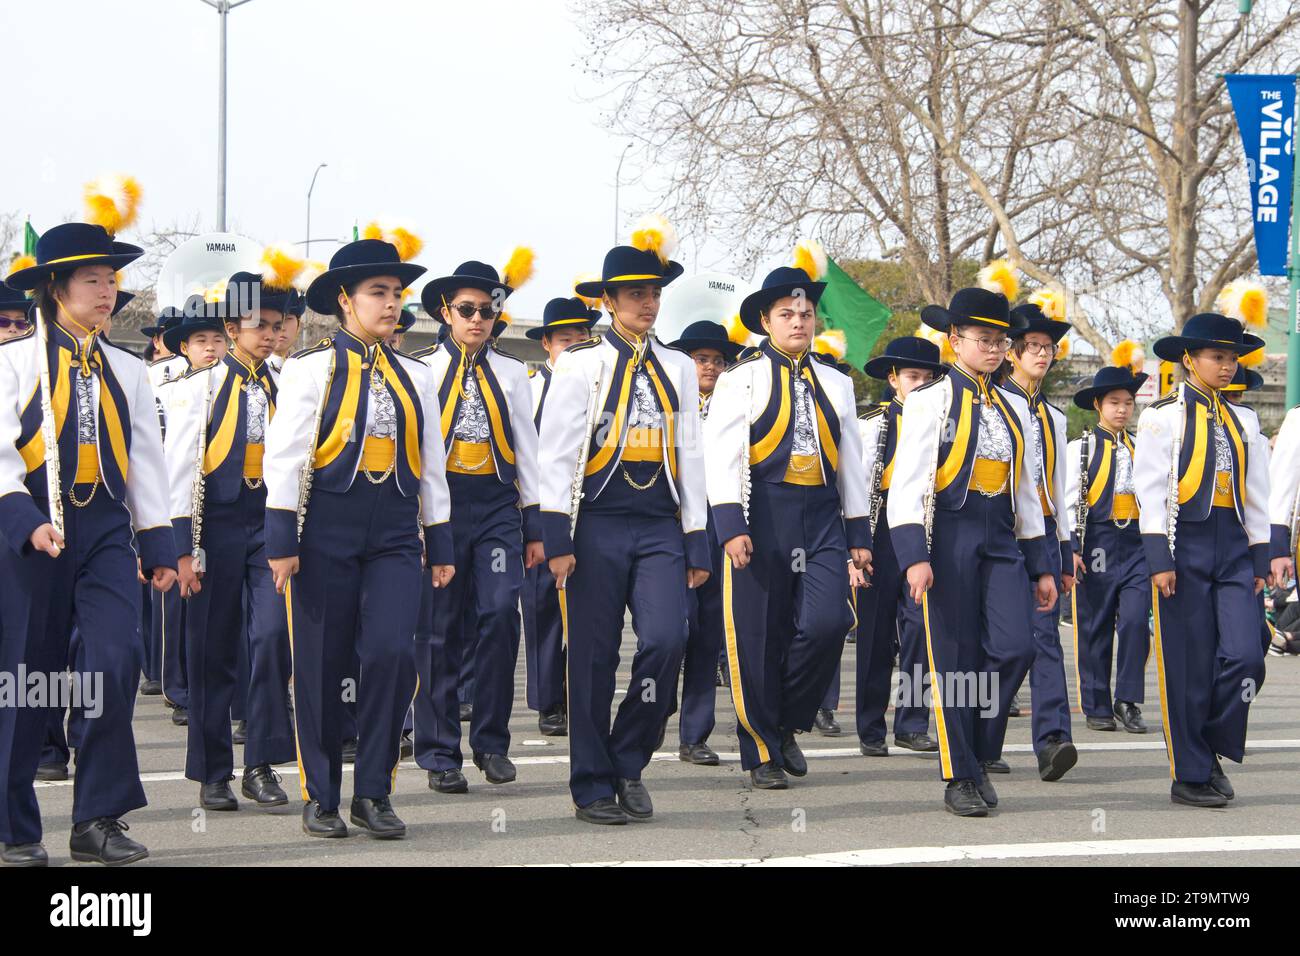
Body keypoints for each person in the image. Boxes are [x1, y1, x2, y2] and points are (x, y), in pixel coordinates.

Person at [263, 237, 455, 839]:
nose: (393, 303)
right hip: (326, 532)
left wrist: (439, 540)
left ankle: (375, 790)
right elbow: (285, 456)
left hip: (396, 533)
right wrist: (281, 540)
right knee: (320, 664)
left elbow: (431, 462)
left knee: (393, 655)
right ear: (345, 301)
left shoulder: (416, 375)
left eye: (398, 293)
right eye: (379, 293)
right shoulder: (309, 368)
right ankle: (321, 794)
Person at [0, 213, 177, 866]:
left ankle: (98, 818)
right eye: (91, 279)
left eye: (110, 279)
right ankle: (15, 828)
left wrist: (158, 543)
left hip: (102, 532)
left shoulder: (127, 370)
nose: (106, 291)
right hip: (29, 533)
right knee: (25, 680)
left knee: (113, 660)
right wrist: (25, 521)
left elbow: (146, 462)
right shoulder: (14, 363)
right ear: (56, 288)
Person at [538, 219, 710, 824]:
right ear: (607, 301)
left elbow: (690, 452)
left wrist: (697, 540)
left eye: (655, 292)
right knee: (591, 655)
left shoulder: (680, 367)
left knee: (668, 640)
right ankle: (591, 783)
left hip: (660, 520)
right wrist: (555, 536)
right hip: (597, 522)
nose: (648, 303)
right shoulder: (579, 364)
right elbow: (555, 453)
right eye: (635, 293)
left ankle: (629, 758)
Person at [704, 248, 871, 791]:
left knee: (829, 623)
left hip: (821, 516)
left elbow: (852, 463)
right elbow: (721, 455)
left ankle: (784, 719)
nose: (799, 322)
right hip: (764, 513)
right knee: (759, 634)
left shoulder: (838, 383)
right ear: (765, 322)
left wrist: (858, 533)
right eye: (786, 314)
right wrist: (730, 525)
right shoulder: (740, 379)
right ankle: (761, 749)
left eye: (805, 314)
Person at [886, 285, 1055, 817]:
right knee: (954, 659)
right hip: (950, 533)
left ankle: (982, 750)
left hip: (1001, 534)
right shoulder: (928, 400)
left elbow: (1027, 489)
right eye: (982, 339)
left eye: (1000, 340)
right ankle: (960, 774)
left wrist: (1041, 564)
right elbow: (908, 484)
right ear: (954, 340)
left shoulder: (1015, 408)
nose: (993, 349)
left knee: (1016, 648)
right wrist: (914, 555)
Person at [165, 267, 301, 812]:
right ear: (231, 326)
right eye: (256, 324)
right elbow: (177, 470)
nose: (268, 335)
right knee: (211, 648)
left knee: (271, 639)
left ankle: (262, 763)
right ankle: (213, 770)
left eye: (276, 325)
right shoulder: (196, 389)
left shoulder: (289, 384)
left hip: (268, 524)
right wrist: (180, 549)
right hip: (213, 525)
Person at [410, 253, 543, 793]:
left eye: (487, 310)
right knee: (438, 630)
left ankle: (490, 741)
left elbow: (530, 455)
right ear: (445, 312)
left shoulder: (514, 374)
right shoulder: (419, 369)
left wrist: (537, 528)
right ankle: (440, 752)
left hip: (494, 507)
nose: (476, 319)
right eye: (466, 309)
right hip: (440, 510)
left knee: (498, 617)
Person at [1135, 311, 1268, 808]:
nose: (1229, 365)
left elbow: (1256, 494)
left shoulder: (1246, 418)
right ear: (1189, 360)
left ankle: (1212, 741)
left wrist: (1260, 558)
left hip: (1232, 544)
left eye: (1234, 357)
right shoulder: (1160, 416)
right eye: (1218, 356)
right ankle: (1189, 772)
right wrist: (1159, 558)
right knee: (1187, 665)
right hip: (1181, 544)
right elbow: (1150, 494)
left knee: (1247, 654)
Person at [999, 294, 1078, 781]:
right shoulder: (990, 403)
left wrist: (1065, 552)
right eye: (1033, 345)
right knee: (1004, 645)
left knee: (1045, 638)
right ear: (1011, 351)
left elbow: (1058, 490)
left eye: (1048, 347)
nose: (1043, 355)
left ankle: (1053, 740)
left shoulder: (1055, 417)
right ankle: (982, 734)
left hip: (1043, 535)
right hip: (997, 534)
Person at [855, 336, 945, 757]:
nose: (921, 385)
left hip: (922, 535)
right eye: (912, 377)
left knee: (919, 629)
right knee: (873, 636)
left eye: (929, 378)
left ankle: (912, 722)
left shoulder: (947, 420)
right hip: (877, 539)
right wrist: (851, 549)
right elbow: (853, 490)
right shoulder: (871, 423)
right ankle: (871, 726)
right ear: (893, 379)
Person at [521, 296, 600, 737]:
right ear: (547, 343)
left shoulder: (600, 384)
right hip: (542, 510)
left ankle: (577, 692)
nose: (573, 347)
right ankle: (549, 699)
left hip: (589, 508)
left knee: (586, 607)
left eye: (581, 338)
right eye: (564, 339)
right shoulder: (532, 385)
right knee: (543, 605)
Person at [668, 319, 743, 766]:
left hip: (720, 525)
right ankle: (656, 703)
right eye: (701, 359)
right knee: (671, 630)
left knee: (707, 632)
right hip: (673, 526)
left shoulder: (736, 403)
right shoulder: (671, 405)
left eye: (717, 360)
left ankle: (695, 734)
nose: (711, 367)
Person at [1066, 367, 1151, 735]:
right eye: (1114, 402)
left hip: (1135, 543)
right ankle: (1096, 702)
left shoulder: (1142, 448)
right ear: (1098, 404)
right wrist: (1070, 546)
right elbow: (1069, 500)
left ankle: (1128, 698)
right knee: (1094, 624)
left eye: (1128, 403)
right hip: (1097, 541)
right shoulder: (1079, 449)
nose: (1122, 410)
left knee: (1135, 621)